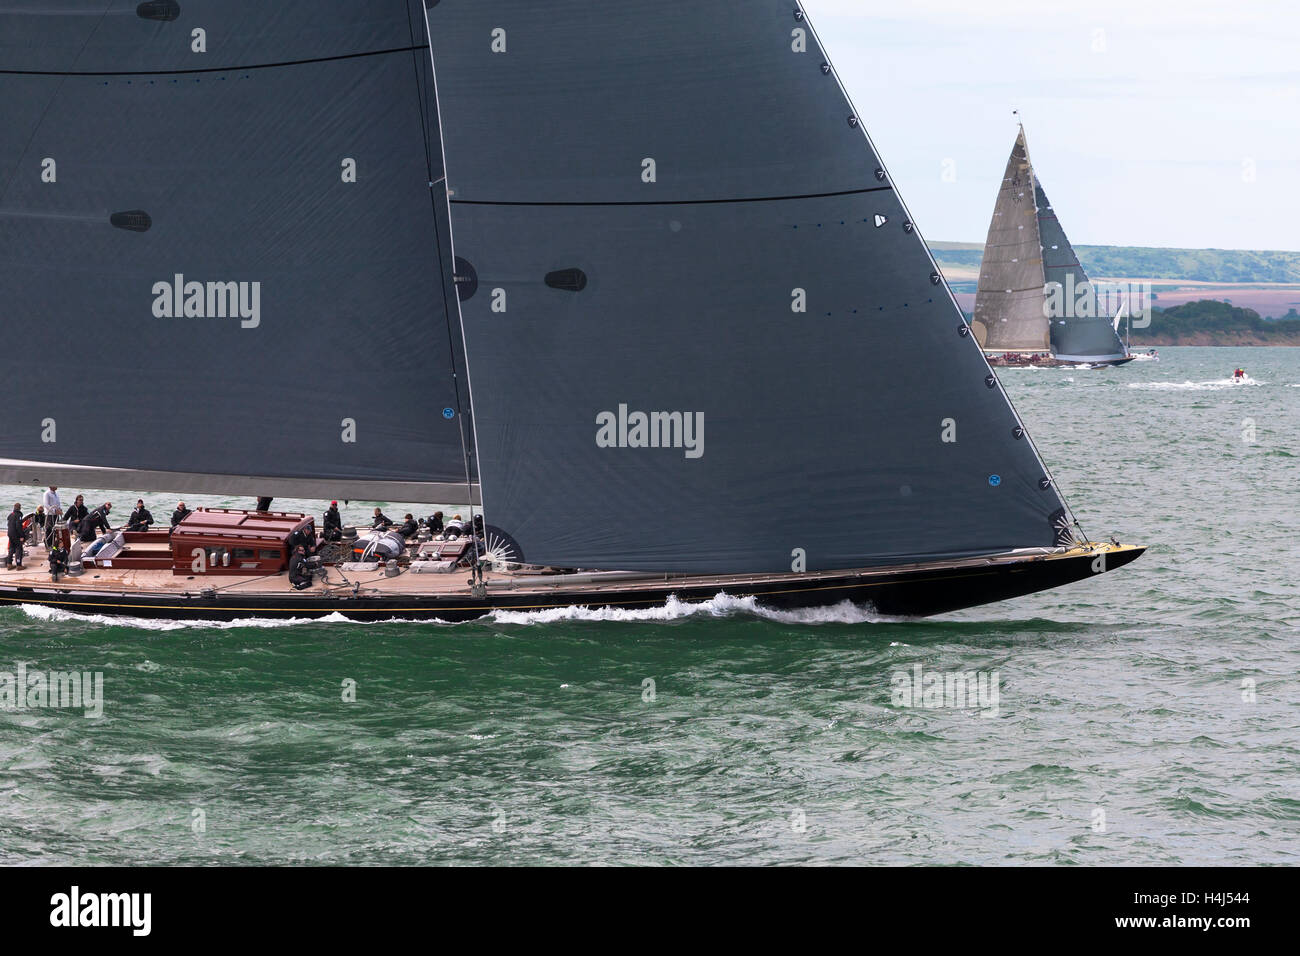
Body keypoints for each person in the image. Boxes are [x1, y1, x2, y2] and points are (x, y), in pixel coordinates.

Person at [6, 503, 26, 570]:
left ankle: (9, 564)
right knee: (19, 549)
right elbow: (18, 526)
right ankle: (19, 565)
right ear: (20, 508)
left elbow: (8, 524)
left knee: (11, 548)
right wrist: (22, 536)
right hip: (16, 535)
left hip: (10, 533)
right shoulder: (19, 515)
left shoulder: (11, 515)